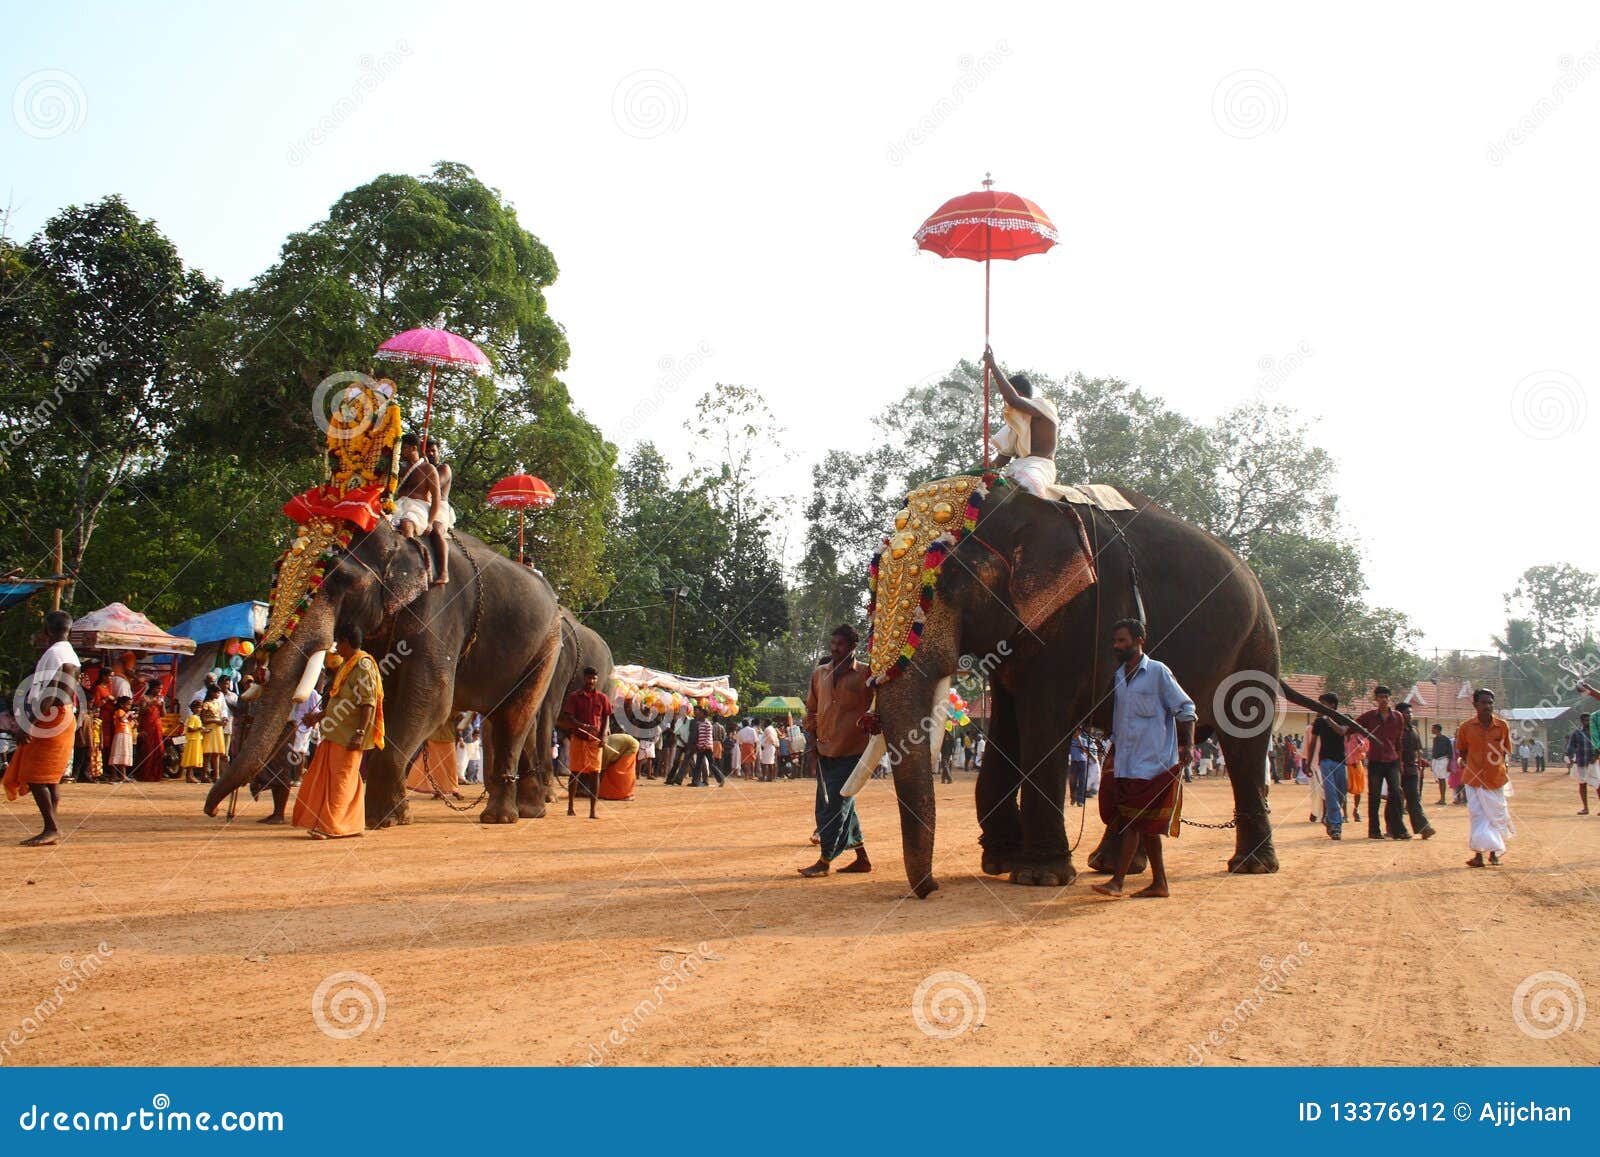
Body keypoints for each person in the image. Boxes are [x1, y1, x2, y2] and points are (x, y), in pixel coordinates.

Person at [1093, 618, 1196, 899]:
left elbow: (1186, 707)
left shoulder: (1158, 672)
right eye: (1115, 641)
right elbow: (1120, 721)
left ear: (1140, 640)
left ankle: (1117, 882)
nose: (1117, 646)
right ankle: (1159, 884)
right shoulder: (1119, 676)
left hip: (1154, 762)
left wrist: (1187, 744)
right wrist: (1112, 748)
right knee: (1146, 827)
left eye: (1122, 640)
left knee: (1133, 823)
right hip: (1127, 762)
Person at [292, 621, 381, 839]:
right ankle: (349, 823)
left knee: (341, 779)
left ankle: (331, 826)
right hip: (334, 732)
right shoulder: (347, 664)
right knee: (337, 778)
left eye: (337, 643)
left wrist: (360, 733)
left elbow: (368, 702)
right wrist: (318, 717)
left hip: (349, 735)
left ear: (344, 641)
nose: (335, 649)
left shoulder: (363, 665)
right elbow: (339, 700)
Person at [798, 625, 873, 878]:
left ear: (853, 646)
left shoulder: (866, 675)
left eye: (840, 644)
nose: (834, 648)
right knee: (841, 805)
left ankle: (824, 861)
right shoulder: (820, 674)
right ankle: (862, 858)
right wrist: (812, 746)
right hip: (825, 750)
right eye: (833, 643)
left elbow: (877, 710)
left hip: (854, 752)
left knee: (833, 807)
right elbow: (811, 712)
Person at [3, 611, 81, 845]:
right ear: (70, 630)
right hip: (64, 715)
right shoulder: (70, 654)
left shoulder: (53, 653)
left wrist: (29, 724)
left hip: (51, 716)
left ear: (47, 630)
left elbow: (50, 694)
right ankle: (51, 826)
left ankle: (51, 827)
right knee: (50, 777)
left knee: (36, 776)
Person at [979, 347, 1060, 498]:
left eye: (1005, 395)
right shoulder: (1014, 425)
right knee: (979, 493)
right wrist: (981, 470)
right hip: (1016, 467)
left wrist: (992, 365)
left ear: (1019, 394)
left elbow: (1013, 400)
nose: (1005, 402)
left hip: (1039, 467)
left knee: (1029, 486)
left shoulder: (1044, 407)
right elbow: (1003, 458)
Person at [1456, 688, 1513, 868]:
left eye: (1490, 702)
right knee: (1477, 816)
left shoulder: (1502, 726)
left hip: (1496, 779)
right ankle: (1478, 855)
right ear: (1475, 705)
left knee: (1495, 816)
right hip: (1474, 780)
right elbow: (1462, 750)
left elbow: (1506, 750)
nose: (1487, 706)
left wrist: (1502, 768)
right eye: (1483, 702)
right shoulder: (1466, 727)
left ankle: (1494, 854)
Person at [1354, 685, 1410, 840]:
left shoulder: (1398, 717)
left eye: (1386, 697)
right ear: (1376, 699)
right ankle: (1374, 830)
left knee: (1396, 794)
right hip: (1375, 761)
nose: (1383, 700)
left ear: (1389, 698)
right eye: (1380, 697)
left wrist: (1400, 762)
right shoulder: (1369, 717)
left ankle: (1399, 830)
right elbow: (1353, 726)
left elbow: (1399, 741)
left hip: (1392, 760)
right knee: (1375, 796)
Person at [393, 432, 449, 585]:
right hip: (399, 505)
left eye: (404, 448)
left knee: (406, 524)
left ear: (413, 448)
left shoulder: (430, 469)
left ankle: (410, 564)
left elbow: (436, 498)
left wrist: (430, 522)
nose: (402, 452)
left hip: (417, 507)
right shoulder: (400, 470)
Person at [558, 667, 611, 816]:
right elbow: (569, 716)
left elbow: (607, 716)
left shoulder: (602, 698)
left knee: (595, 774)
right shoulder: (575, 697)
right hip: (578, 738)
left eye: (594, 678)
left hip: (595, 741)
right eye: (589, 678)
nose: (591, 681)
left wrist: (604, 735)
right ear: (584, 678)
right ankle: (570, 807)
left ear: (597, 679)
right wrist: (582, 726)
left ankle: (593, 810)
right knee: (575, 773)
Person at [1303, 692, 1348, 840]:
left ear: (1332, 705)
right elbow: (1313, 742)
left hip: (1341, 761)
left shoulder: (1343, 718)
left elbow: (1342, 732)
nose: (1319, 707)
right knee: (1330, 792)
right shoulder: (1319, 722)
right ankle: (1336, 826)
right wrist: (1308, 763)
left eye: (1323, 704)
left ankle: (1329, 816)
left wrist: (1329, 720)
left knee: (1342, 793)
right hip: (1325, 761)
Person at [1394, 702, 1436, 838]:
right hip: (1396, 769)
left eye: (1411, 713)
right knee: (1396, 800)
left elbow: (1418, 750)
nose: (1410, 715)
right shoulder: (1395, 731)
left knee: (1414, 798)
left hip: (1411, 769)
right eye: (1407, 713)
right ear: (1399, 714)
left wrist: (1419, 764)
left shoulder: (1414, 730)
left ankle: (1423, 828)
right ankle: (1395, 829)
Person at [407, 715, 462, 799]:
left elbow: (460, 718)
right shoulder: (433, 709)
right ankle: (438, 791)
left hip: (448, 739)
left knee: (451, 767)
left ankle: (455, 790)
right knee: (435, 768)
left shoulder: (453, 708)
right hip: (433, 739)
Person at [133, 679, 166, 783]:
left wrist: (162, 705)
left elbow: (163, 714)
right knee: (147, 750)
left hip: (157, 727)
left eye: (161, 688)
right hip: (147, 726)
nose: (159, 690)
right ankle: (144, 774)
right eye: (158, 688)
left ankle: (156, 775)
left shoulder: (160, 699)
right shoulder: (145, 698)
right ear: (152, 688)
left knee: (159, 750)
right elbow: (141, 711)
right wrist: (152, 703)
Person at [1566, 713, 1597, 815]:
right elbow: (1571, 746)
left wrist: (1596, 756)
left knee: (1598, 785)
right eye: (1585, 720)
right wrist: (1570, 757)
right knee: (1582, 784)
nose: (1587, 722)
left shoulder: (1596, 732)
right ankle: (1585, 808)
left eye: (1589, 720)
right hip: (1581, 762)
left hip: (1594, 762)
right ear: (1582, 721)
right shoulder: (1577, 733)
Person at [199, 685, 228, 784]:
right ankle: (204, 775)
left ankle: (216, 775)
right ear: (211, 692)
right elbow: (203, 719)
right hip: (210, 728)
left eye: (219, 693)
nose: (218, 694)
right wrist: (216, 721)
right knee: (207, 753)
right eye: (217, 692)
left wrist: (223, 720)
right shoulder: (206, 704)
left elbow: (219, 715)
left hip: (218, 729)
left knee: (216, 753)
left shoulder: (217, 703)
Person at [1344, 730, 1368, 824]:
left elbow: (1365, 749)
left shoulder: (1358, 736)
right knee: (1344, 790)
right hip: (1345, 766)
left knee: (1358, 790)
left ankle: (1356, 810)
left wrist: (1359, 741)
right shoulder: (1342, 737)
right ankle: (1345, 814)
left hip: (1357, 765)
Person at [180, 699, 206, 784]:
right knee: (191, 758)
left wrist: (203, 731)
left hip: (197, 739)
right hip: (192, 740)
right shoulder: (193, 717)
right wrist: (199, 728)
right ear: (193, 709)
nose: (198, 709)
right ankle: (189, 776)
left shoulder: (197, 718)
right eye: (196, 708)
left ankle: (191, 776)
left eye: (200, 707)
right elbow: (190, 729)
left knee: (194, 758)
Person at [1428, 723, 1453, 804]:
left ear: (1437, 729)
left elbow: (1450, 752)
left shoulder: (1446, 739)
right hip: (1436, 760)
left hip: (1443, 760)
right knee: (1439, 779)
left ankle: (1443, 798)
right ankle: (1441, 798)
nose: (1431, 730)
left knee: (1442, 779)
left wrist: (1449, 764)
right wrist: (1432, 763)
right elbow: (1434, 751)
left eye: (1433, 729)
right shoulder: (1435, 739)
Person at [1068, 731, 1089, 804]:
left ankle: (1080, 801)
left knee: (1081, 781)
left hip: (1082, 762)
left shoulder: (1083, 740)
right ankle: (1073, 798)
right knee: (1072, 781)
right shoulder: (1070, 741)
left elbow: (1084, 751)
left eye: (1079, 731)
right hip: (1073, 762)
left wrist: (1079, 740)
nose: (1077, 732)